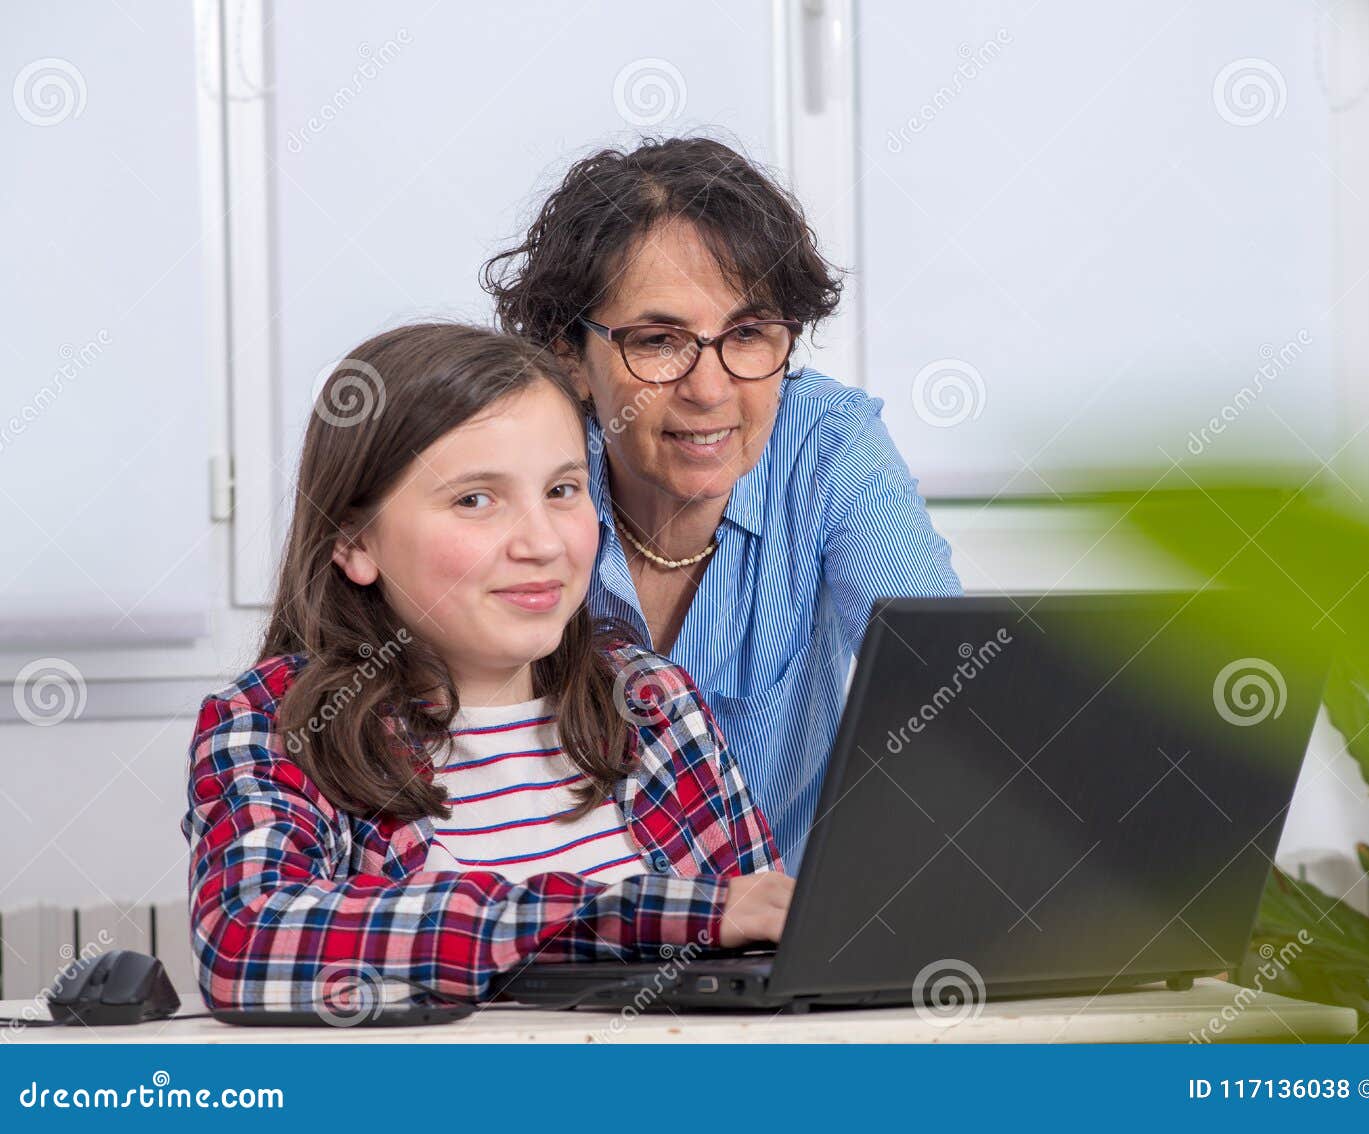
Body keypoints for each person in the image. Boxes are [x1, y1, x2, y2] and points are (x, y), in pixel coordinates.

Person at [181, 323, 788, 1012]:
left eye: (562, 490)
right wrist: (636, 916)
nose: (542, 543)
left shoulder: (653, 702)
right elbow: (249, 940)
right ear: (354, 541)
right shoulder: (276, 723)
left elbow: (765, 933)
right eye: (475, 500)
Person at [484, 136, 964, 868]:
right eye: (658, 340)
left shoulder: (826, 443)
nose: (709, 391)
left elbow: (949, 687)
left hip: (783, 918)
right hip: (570, 920)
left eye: (747, 334)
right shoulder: (519, 466)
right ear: (570, 355)